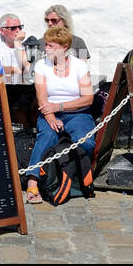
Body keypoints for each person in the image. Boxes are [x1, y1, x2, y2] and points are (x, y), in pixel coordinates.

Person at [24, 26, 95, 204]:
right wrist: (50, 117)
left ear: (64, 47)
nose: (46, 49)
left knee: (85, 142)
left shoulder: (79, 66)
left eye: (51, 46)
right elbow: (41, 97)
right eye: (46, 45)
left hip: (76, 112)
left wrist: (60, 106)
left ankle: (68, 170)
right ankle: (32, 180)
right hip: (49, 112)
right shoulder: (41, 66)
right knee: (46, 137)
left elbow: (87, 99)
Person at [0, 13, 30, 84]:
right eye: (13, 28)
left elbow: (28, 69)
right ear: (2, 31)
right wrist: (13, 70)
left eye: (20, 27)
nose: (18, 30)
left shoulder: (25, 42)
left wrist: (18, 43)